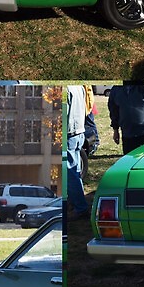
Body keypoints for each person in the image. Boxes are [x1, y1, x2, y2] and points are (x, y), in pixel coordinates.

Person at [107, 81, 144, 154]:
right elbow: (114, 111)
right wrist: (115, 130)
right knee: (130, 162)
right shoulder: (116, 89)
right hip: (128, 132)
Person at [65, 86, 90, 218]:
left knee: (71, 173)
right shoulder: (79, 86)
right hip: (79, 131)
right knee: (76, 171)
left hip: (69, 133)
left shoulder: (66, 89)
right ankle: (75, 203)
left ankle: (80, 207)